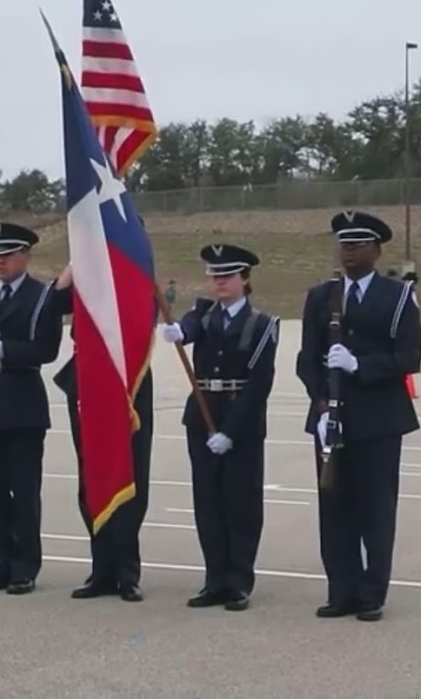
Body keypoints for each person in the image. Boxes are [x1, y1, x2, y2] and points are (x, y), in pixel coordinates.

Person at [295, 210, 421, 622]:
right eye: (344, 244)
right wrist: (319, 404)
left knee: (376, 509)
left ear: (376, 249)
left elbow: (408, 357)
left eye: (358, 244)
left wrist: (360, 366)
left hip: (379, 419)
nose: (349, 251)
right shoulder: (320, 296)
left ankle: (372, 592)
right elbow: (307, 360)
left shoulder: (398, 296)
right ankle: (341, 590)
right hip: (330, 419)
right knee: (334, 508)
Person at [160, 243, 279, 612]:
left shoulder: (262, 325)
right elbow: (192, 326)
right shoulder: (203, 313)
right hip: (202, 416)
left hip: (239, 421)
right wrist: (179, 331)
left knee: (240, 502)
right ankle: (214, 579)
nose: (219, 282)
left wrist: (231, 430)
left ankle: (239, 580)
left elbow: (260, 383)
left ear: (245, 279)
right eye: (214, 276)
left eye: (227, 275)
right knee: (208, 501)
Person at [0, 222, 64, 596]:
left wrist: (5, 352)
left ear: (25, 255)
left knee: (23, 491)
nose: (0, 262)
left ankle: (25, 566)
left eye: (7, 255)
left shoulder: (41, 297)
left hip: (23, 404)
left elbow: (47, 350)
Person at [46, 265, 153, 603]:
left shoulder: (134, 270)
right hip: (88, 379)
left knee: (130, 474)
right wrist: (80, 255)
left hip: (127, 382)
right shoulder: (86, 267)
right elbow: (54, 303)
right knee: (91, 474)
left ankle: (126, 571)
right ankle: (101, 567)